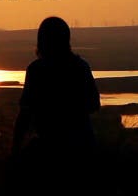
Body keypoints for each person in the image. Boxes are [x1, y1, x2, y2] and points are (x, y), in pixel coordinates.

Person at [11, 16, 100, 163]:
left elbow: (25, 115)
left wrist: (15, 151)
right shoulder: (81, 66)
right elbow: (94, 104)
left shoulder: (36, 70)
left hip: (50, 148)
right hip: (82, 145)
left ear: (41, 41)